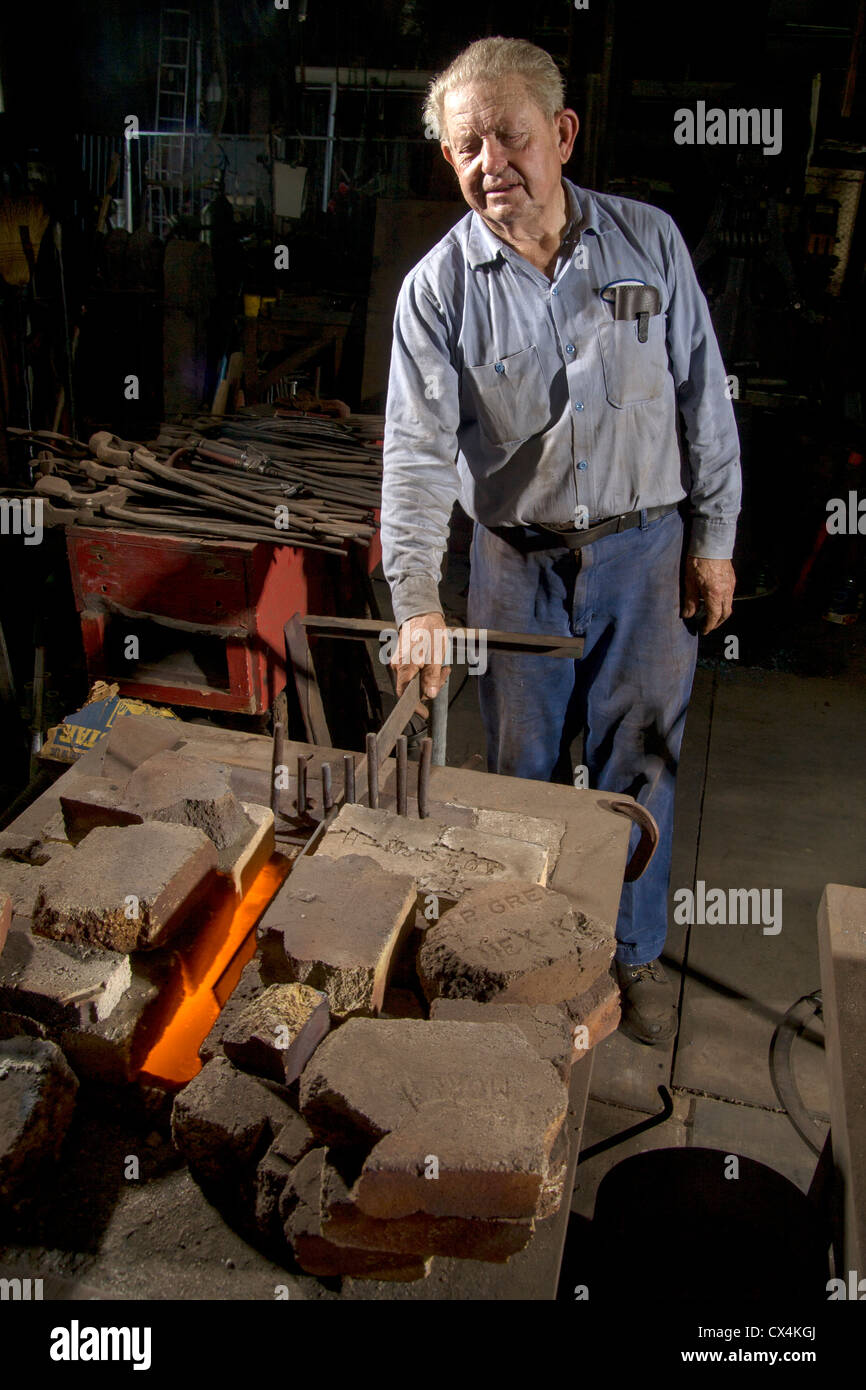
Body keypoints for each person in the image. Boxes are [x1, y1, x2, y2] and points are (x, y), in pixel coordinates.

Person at [380, 37, 741, 1044]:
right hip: (513, 567)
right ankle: (527, 964)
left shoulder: (648, 243)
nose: (490, 162)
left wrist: (712, 538)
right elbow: (412, 456)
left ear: (561, 135)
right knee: (517, 774)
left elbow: (701, 397)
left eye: (510, 135)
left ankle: (630, 954)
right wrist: (415, 599)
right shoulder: (437, 291)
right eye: (465, 146)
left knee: (639, 767)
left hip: (644, 551)